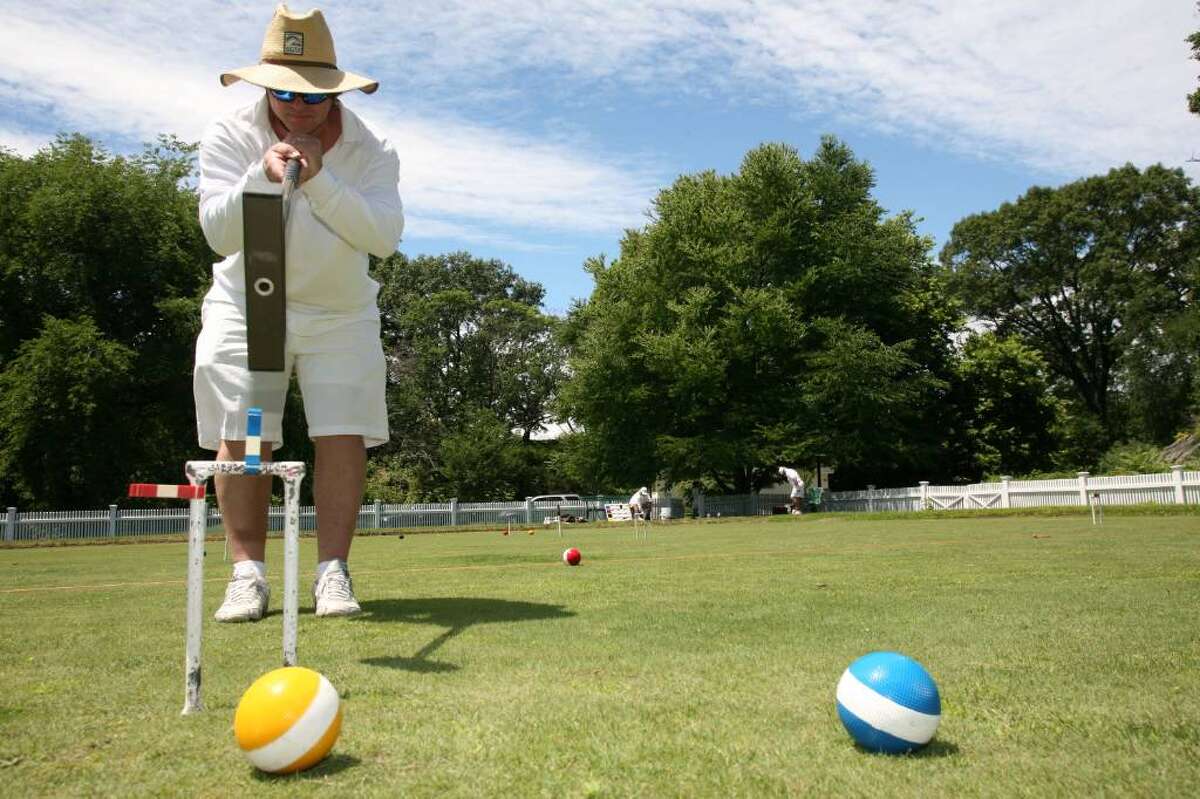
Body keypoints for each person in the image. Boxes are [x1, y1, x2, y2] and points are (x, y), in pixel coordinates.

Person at [195, 4, 404, 621]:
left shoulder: (371, 148)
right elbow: (218, 233)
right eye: (284, 92)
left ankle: (331, 573)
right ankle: (247, 575)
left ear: (336, 91)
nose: (298, 106)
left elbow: (383, 236)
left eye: (314, 95)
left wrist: (318, 181)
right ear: (264, 85)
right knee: (248, 434)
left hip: (339, 312)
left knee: (340, 432)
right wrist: (260, 178)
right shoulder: (232, 133)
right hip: (250, 303)